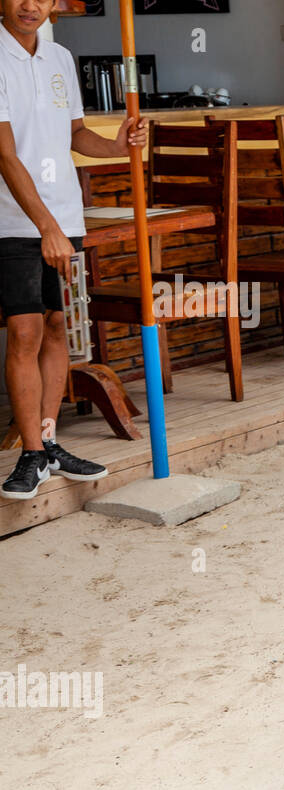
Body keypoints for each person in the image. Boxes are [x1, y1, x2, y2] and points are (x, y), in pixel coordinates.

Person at [0, 0, 148, 500]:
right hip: (15, 223)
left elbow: (77, 136)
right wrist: (46, 227)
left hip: (65, 217)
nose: (29, 5)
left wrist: (121, 142)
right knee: (25, 330)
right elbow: (4, 153)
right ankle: (30, 454)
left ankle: (48, 443)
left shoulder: (61, 57)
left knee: (59, 326)